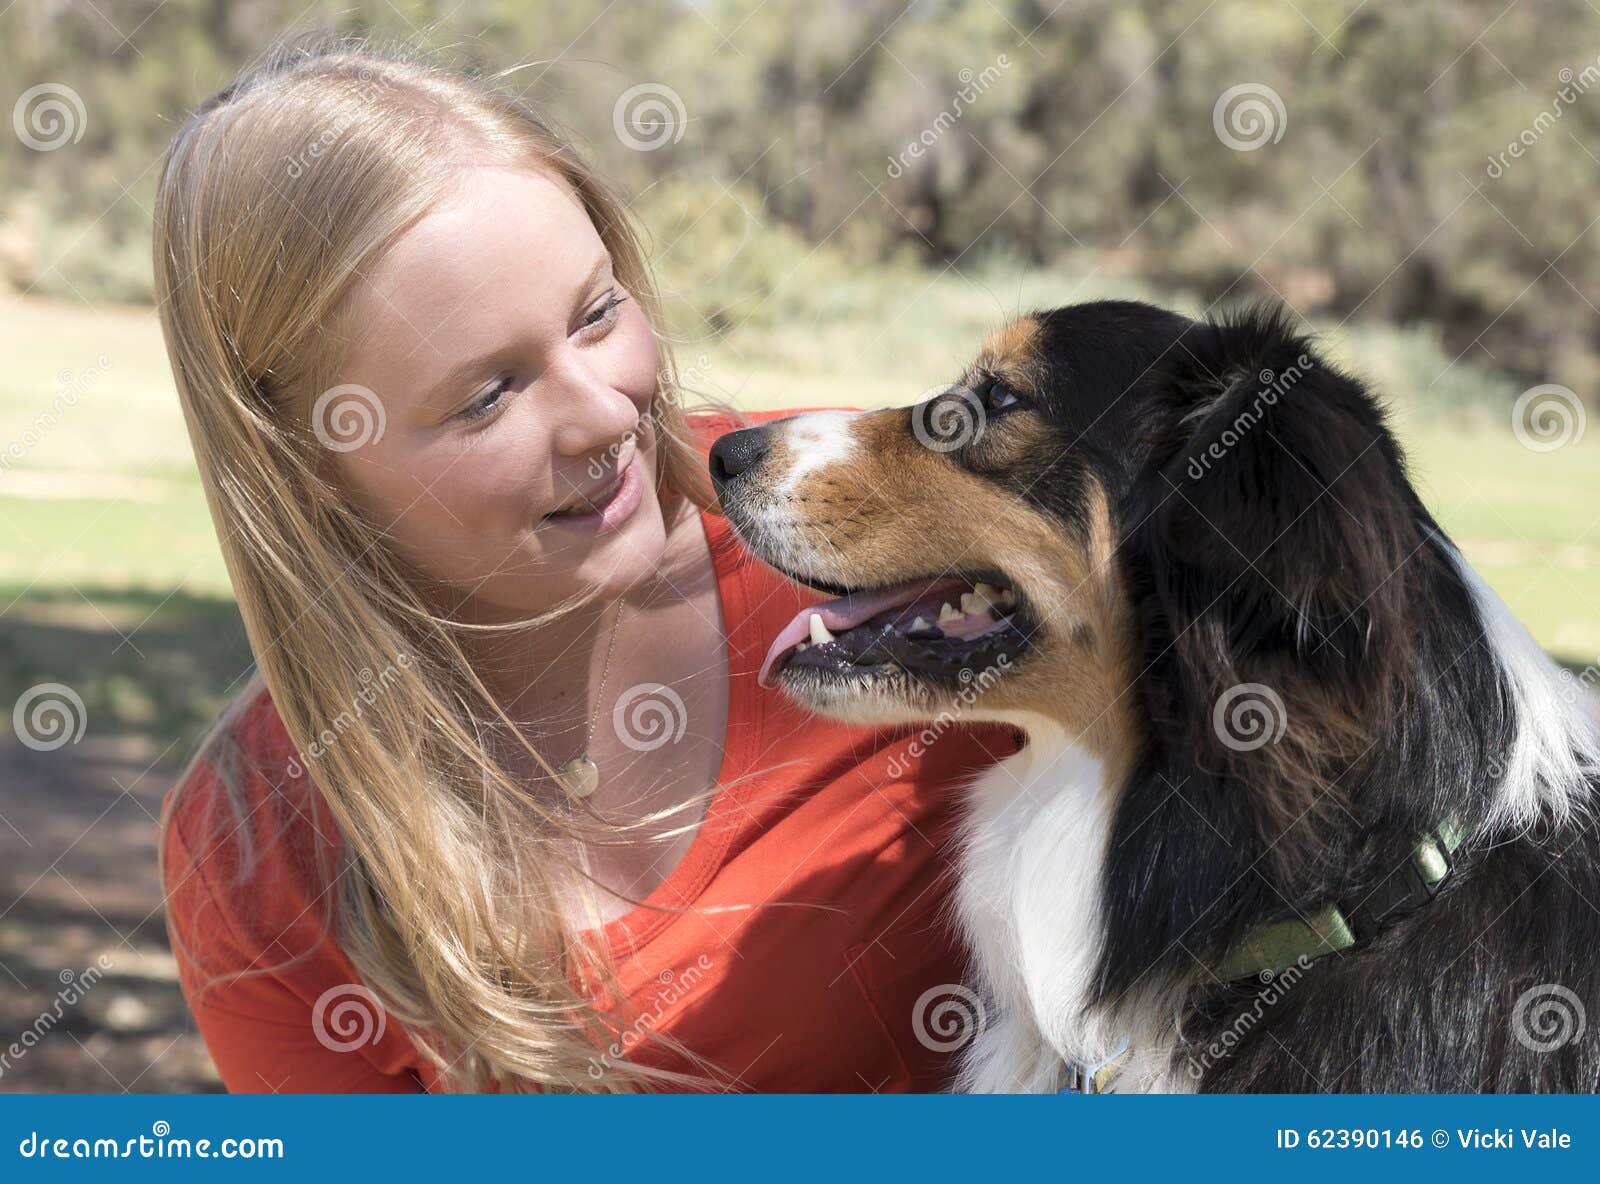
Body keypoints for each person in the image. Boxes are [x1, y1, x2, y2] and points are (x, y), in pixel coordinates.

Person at [155, 42, 1015, 1093]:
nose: (609, 412)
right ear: (305, 468)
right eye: (488, 396)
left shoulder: (869, 522)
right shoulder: (256, 849)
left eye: (597, 313)